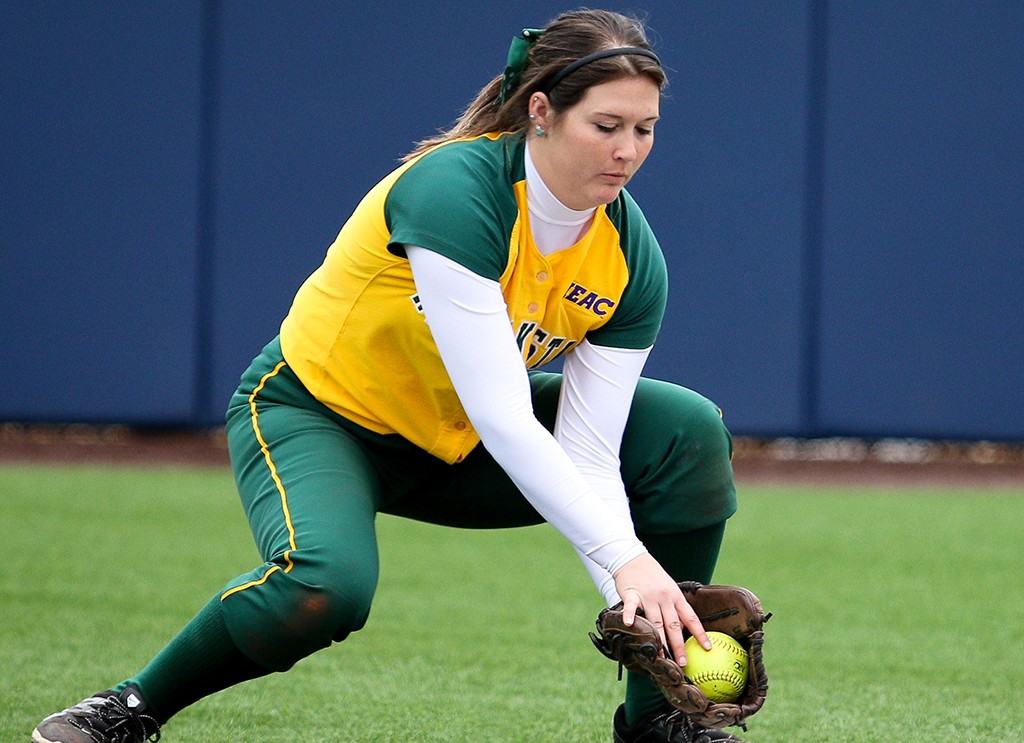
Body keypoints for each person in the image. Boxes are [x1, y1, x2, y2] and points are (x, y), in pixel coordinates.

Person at [32, 9, 745, 743]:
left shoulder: (631, 256)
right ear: (541, 111)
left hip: (455, 439)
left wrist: (637, 601)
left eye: (645, 128)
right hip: (320, 414)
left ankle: (660, 718)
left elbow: (589, 451)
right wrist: (627, 560)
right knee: (322, 590)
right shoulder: (458, 191)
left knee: (686, 432)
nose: (628, 150)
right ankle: (128, 707)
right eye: (606, 125)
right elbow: (503, 413)